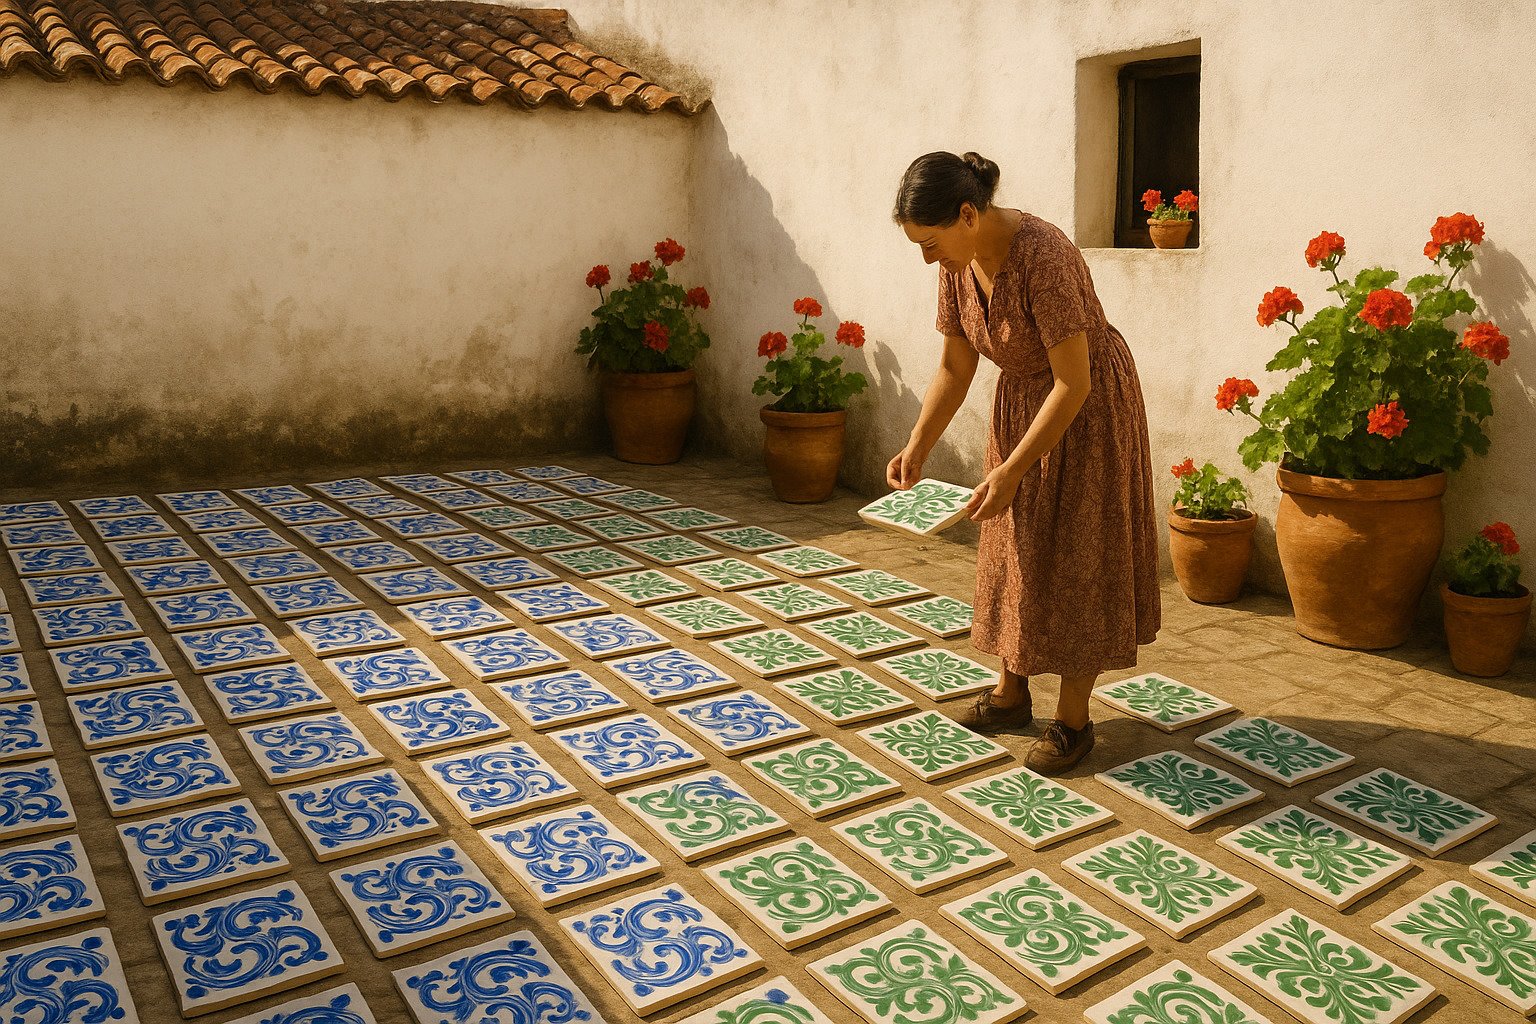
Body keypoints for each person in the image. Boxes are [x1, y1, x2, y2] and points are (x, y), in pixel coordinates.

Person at [887, 150, 1161, 773]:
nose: (928, 258)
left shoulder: (1045, 254)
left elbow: (1074, 382)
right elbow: (956, 365)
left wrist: (1012, 469)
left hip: (1086, 412)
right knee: (1016, 549)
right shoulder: (957, 261)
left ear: (966, 214)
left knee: (1076, 556)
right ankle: (1011, 695)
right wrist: (918, 444)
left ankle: (1073, 721)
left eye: (930, 243)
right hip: (1021, 407)